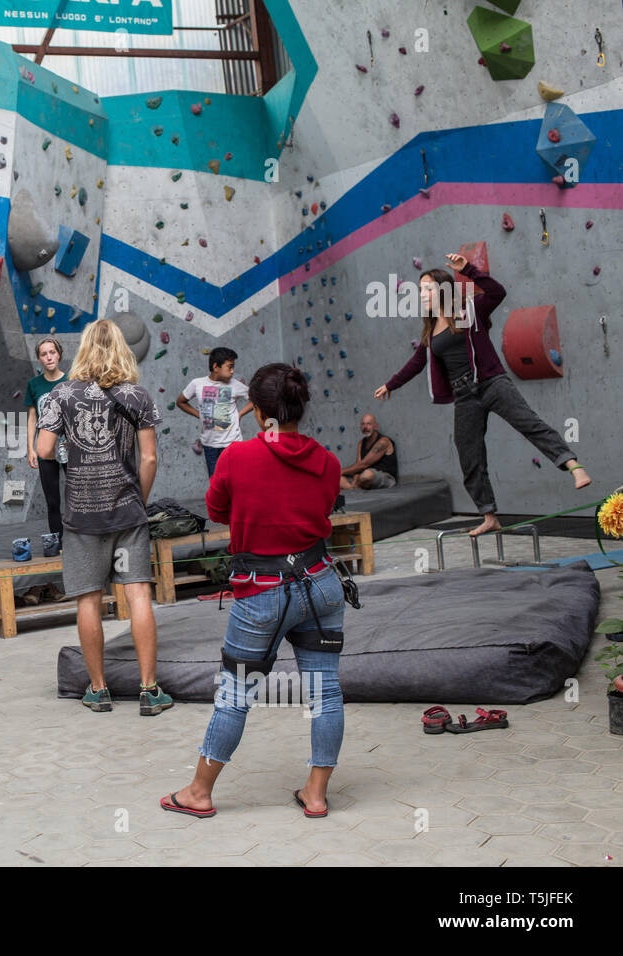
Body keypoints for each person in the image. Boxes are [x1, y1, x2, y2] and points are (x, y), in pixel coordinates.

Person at [163, 364, 345, 820]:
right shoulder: (326, 461)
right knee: (325, 692)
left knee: (236, 692)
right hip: (320, 583)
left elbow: (217, 509)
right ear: (299, 407)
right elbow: (322, 508)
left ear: (258, 410)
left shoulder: (237, 458)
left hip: (261, 589)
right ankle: (317, 794)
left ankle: (199, 792)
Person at [375, 253, 590, 535]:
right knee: (469, 455)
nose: (423, 294)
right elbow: (418, 362)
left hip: (491, 383)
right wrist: (391, 384)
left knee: (529, 424)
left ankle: (574, 466)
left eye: (428, 288)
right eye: (420, 289)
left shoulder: (469, 312)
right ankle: (489, 515)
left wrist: (468, 269)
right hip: (465, 397)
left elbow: (497, 292)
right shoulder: (430, 329)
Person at [36, 318, 171, 716]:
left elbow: (44, 449)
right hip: (127, 512)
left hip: (81, 515)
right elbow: (149, 457)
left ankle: (99, 690)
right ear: (121, 348)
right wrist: (138, 501)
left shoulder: (61, 395)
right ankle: (150, 690)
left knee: (88, 601)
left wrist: (74, 456)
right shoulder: (138, 395)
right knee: (139, 595)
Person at [176, 347, 254, 479]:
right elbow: (181, 402)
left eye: (233, 367)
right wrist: (198, 414)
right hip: (209, 444)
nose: (232, 371)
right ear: (216, 366)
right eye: (229, 367)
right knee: (215, 482)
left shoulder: (235, 385)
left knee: (234, 481)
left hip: (232, 443)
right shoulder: (197, 384)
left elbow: (255, 399)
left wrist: (240, 414)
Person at [25, 337, 67, 538]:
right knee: (52, 500)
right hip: (45, 449)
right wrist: (31, 448)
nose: (49, 357)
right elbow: (33, 417)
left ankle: (81, 540)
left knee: (78, 496)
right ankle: (57, 542)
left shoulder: (72, 380)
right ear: (39, 359)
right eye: (44, 354)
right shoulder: (34, 384)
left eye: (52, 352)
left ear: (59, 354)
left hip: (71, 447)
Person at [340, 414, 397, 490]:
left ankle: (356, 487)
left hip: (384, 476)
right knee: (338, 479)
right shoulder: (361, 443)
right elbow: (358, 465)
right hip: (363, 476)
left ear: (376, 426)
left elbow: (363, 465)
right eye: (363, 424)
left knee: (367, 475)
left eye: (369, 424)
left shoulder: (383, 442)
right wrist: (355, 479)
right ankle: (354, 488)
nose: (365, 427)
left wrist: (341, 471)